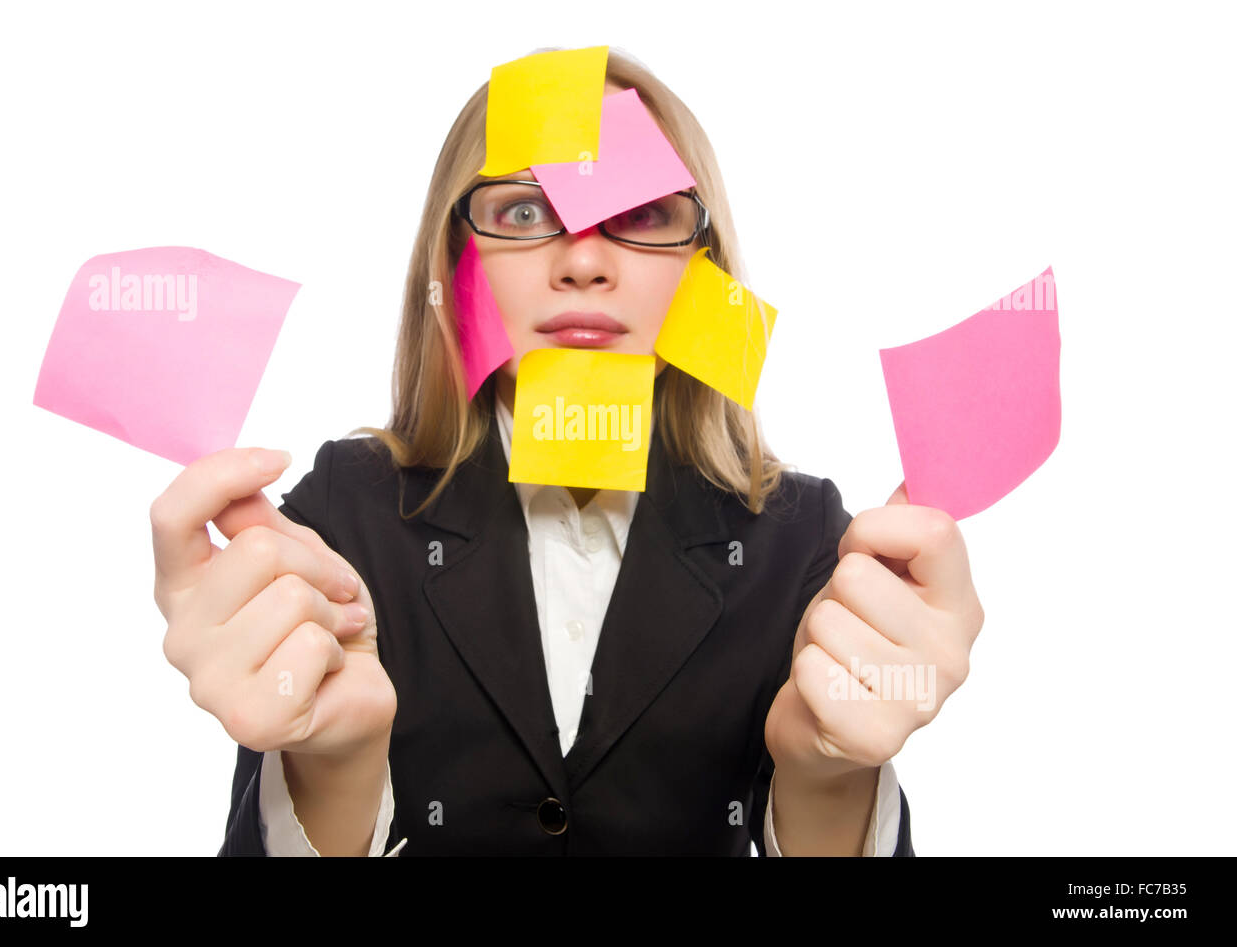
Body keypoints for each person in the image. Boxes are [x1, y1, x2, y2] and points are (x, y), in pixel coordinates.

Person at [152, 46, 985, 856]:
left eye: (643, 214)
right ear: (454, 264)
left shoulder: (801, 538)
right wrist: (332, 769)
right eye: (523, 211)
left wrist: (829, 773)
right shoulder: (341, 514)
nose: (584, 260)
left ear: (703, 268)